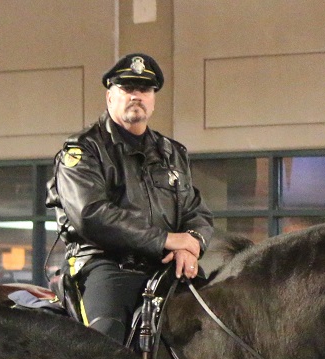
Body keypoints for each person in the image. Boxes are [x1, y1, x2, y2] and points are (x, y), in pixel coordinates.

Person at [47, 53, 213, 344]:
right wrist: (166, 239)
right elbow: (91, 214)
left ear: (153, 99)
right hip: (104, 265)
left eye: (144, 89)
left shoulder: (172, 153)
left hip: (166, 267)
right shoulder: (83, 150)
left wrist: (191, 245)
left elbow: (195, 211)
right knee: (105, 345)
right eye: (127, 88)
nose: (136, 95)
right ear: (110, 97)